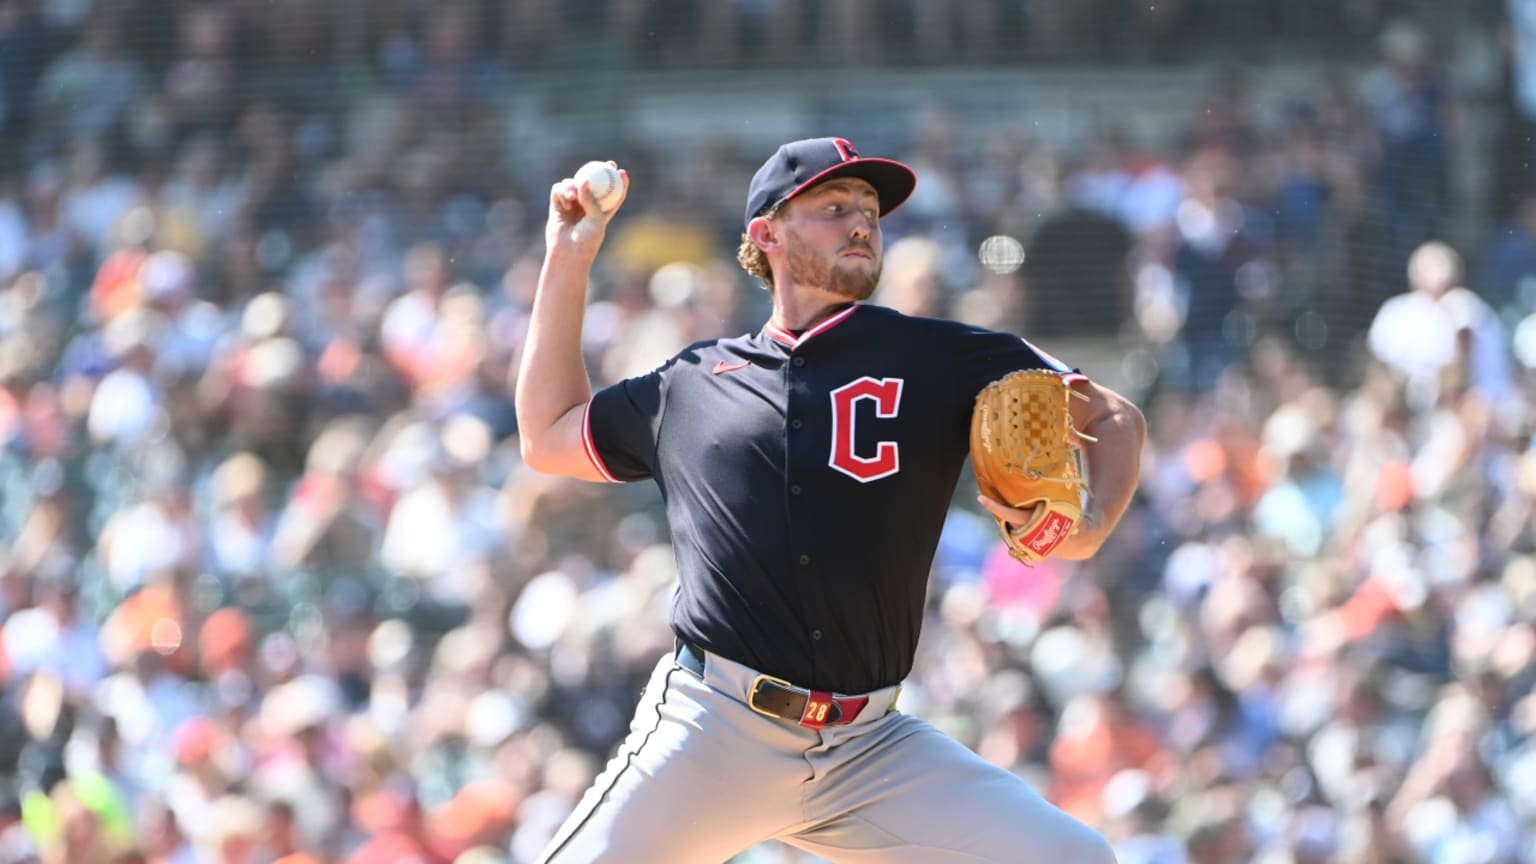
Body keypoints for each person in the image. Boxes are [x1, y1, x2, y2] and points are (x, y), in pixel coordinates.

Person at [515, 136, 1146, 863]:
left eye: (871, 213)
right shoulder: (691, 382)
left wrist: (1091, 522)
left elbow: (1113, 416)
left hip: (871, 748)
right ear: (766, 234)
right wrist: (569, 254)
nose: (860, 224)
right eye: (834, 206)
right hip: (717, 727)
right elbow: (548, 433)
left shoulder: (941, 354)